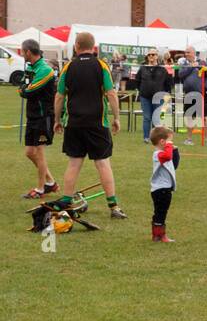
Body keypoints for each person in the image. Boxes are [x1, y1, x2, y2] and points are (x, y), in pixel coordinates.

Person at [52, 31, 126, 219]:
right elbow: (110, 93)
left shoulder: (68, 67)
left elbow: (59, 96)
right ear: (94, 48)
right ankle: (114, 206)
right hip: (97, 123)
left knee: (74, 163)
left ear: (76, 46)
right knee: (102, 163)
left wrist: (57, 121)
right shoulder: (101, 65)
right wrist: (116, 118)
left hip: (74, 123)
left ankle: (66, 201)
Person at [18, 38, 58, 199]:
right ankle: (51, 182)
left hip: (44, 116)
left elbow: (29, 91)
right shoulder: (30, 68)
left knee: (40, 152)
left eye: (22, 51)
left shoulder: (45, 70)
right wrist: (24, 89)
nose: (21, 54)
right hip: (32, 116)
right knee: (29, 152)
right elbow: (21, 87)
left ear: (28, 52)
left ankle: (41, 189)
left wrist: (25, 89)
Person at [149, 124, 180, 243]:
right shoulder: (158, 154)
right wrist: (169, 147)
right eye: (169, 141)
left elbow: (174, 165)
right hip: (160, 190)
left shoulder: (164, 153)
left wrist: (175, 150)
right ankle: (159, 235)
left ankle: (158, 234)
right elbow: (167, 156)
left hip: (165, 188)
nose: (171, 143)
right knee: (160, 212)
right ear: (162, 142)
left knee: (162, 211)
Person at [135, 50, 172, 142]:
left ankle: (156, 138)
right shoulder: (142, 68)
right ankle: (146, 137)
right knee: (147, 117)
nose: (151, 56)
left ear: (157, 56)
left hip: (159, 98)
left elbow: (168, 83)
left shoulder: (162, 69)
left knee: (157, 118)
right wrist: (143, 90)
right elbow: (137, 81)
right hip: (145, 97)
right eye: (149, 54)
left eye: (153, 54)